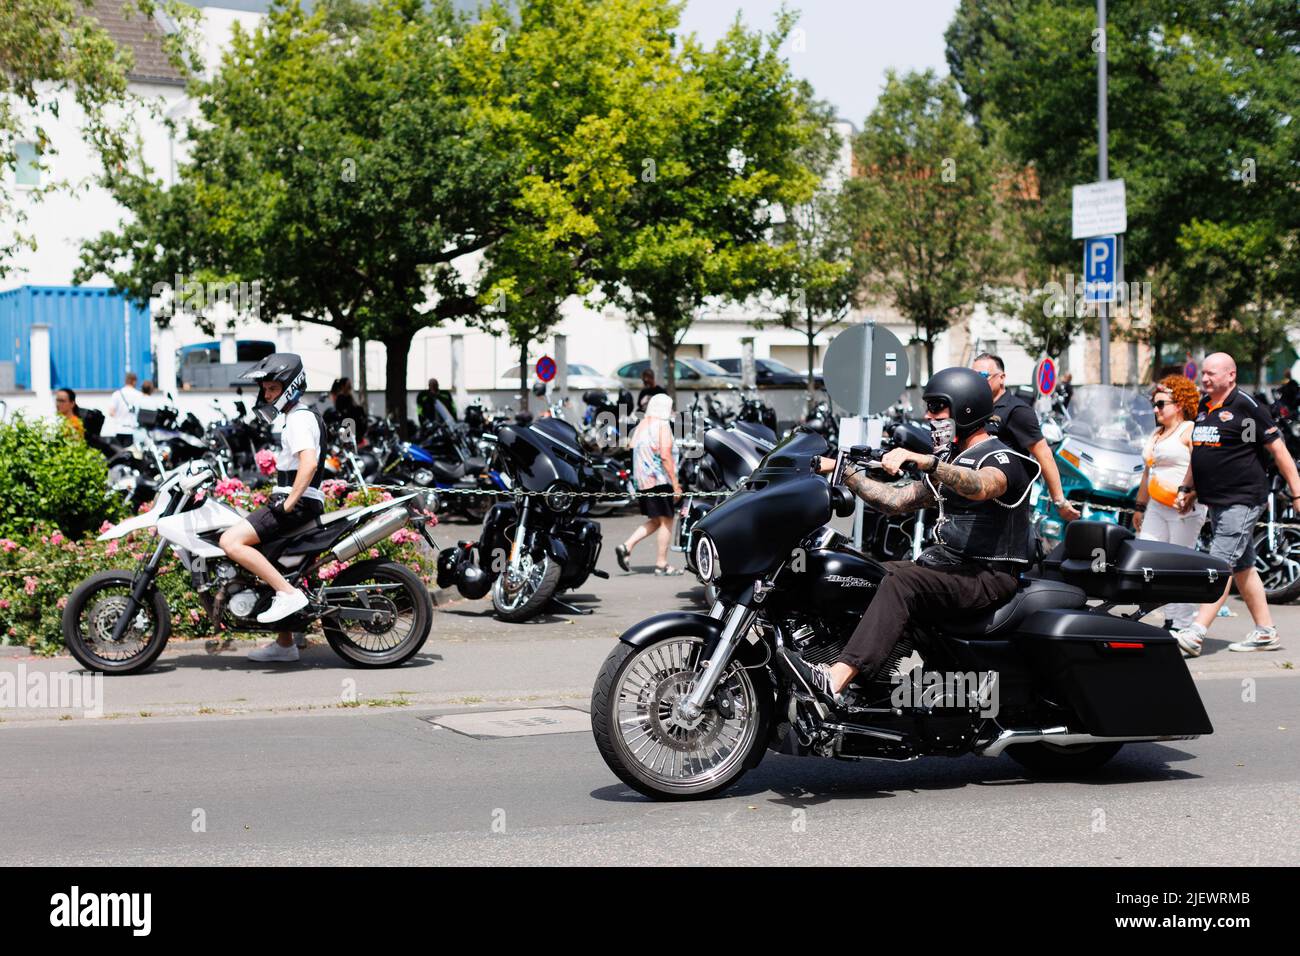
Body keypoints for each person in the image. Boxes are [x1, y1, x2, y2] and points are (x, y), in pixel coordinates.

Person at [789, 367, 1040, 711]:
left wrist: (928, 463)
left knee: (900, 582)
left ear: (965, 408)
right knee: (861, 574)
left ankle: (835, 679)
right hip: (950, 569)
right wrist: (842, 471)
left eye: (937, 407)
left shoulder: (1002, 458)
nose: (928, 416)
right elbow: (895, 501)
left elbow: (982, 486)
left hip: (987, 576)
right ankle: (868, 688)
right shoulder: (953, 461)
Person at [1172, 353, 1300, 655]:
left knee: (1219, 563)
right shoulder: (1205, 407)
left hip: (1242, 498)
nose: (1204, 379)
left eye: (1211, 373)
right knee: (1243, 566)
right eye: (1202, 373)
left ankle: (1196, 632)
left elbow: (1279, 451)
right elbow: (1199, 453)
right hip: (1217, 500)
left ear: (1230, 375)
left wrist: (1297, 493)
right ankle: (1266, 632)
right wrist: (1187, 487)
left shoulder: (1246, 405)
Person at [218, 353, 327, 662]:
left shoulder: (299, 419)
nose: (266, 396)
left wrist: (288, 503)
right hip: (296, 501)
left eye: (271, 390)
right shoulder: (297, 417)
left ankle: (290, 595)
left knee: (230, 541)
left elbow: (309, 462)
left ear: (290, 387)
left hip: (298, 504)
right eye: (265, 389)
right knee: (272, 561)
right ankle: (285, 644)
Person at [1133, 375, 1206, 632]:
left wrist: (1192, 492)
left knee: (1179, 566)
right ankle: (1168, 618)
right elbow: (1147, 472)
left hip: (1183, 507)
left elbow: (1202, 466)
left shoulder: (1189, 429)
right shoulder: (1156, 433)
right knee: (1152, 560)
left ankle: (1181, 623)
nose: (1156, 409)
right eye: (1154, 404)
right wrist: (1140, 506)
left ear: (1179, 403)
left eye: (1161, 403)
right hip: (1156, 506)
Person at [971, 353, 1080, 523]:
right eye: (973, 376)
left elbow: (1043, 454)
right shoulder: (973, 408)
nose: (976, 381)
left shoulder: (1017, 411)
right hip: (974, 496)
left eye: (983, 376)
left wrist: (1059, 501)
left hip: (1004, 504)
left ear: (1002, 378)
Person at [614, 392, 683, 575]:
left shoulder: (642, 425)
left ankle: (626, 546)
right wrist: (675, 484)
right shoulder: (662, 425)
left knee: (655, 520)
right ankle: (662, 564)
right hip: (659, 480)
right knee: (667, 520)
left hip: (643, 481)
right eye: (670, 407)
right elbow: (666, 456)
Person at [103, 372, 145, 445]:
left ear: (125, 380)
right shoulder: (139, 395)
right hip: (132, 430)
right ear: (134, 381)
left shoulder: (117, 394)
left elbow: (111, 412)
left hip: (118, 429)